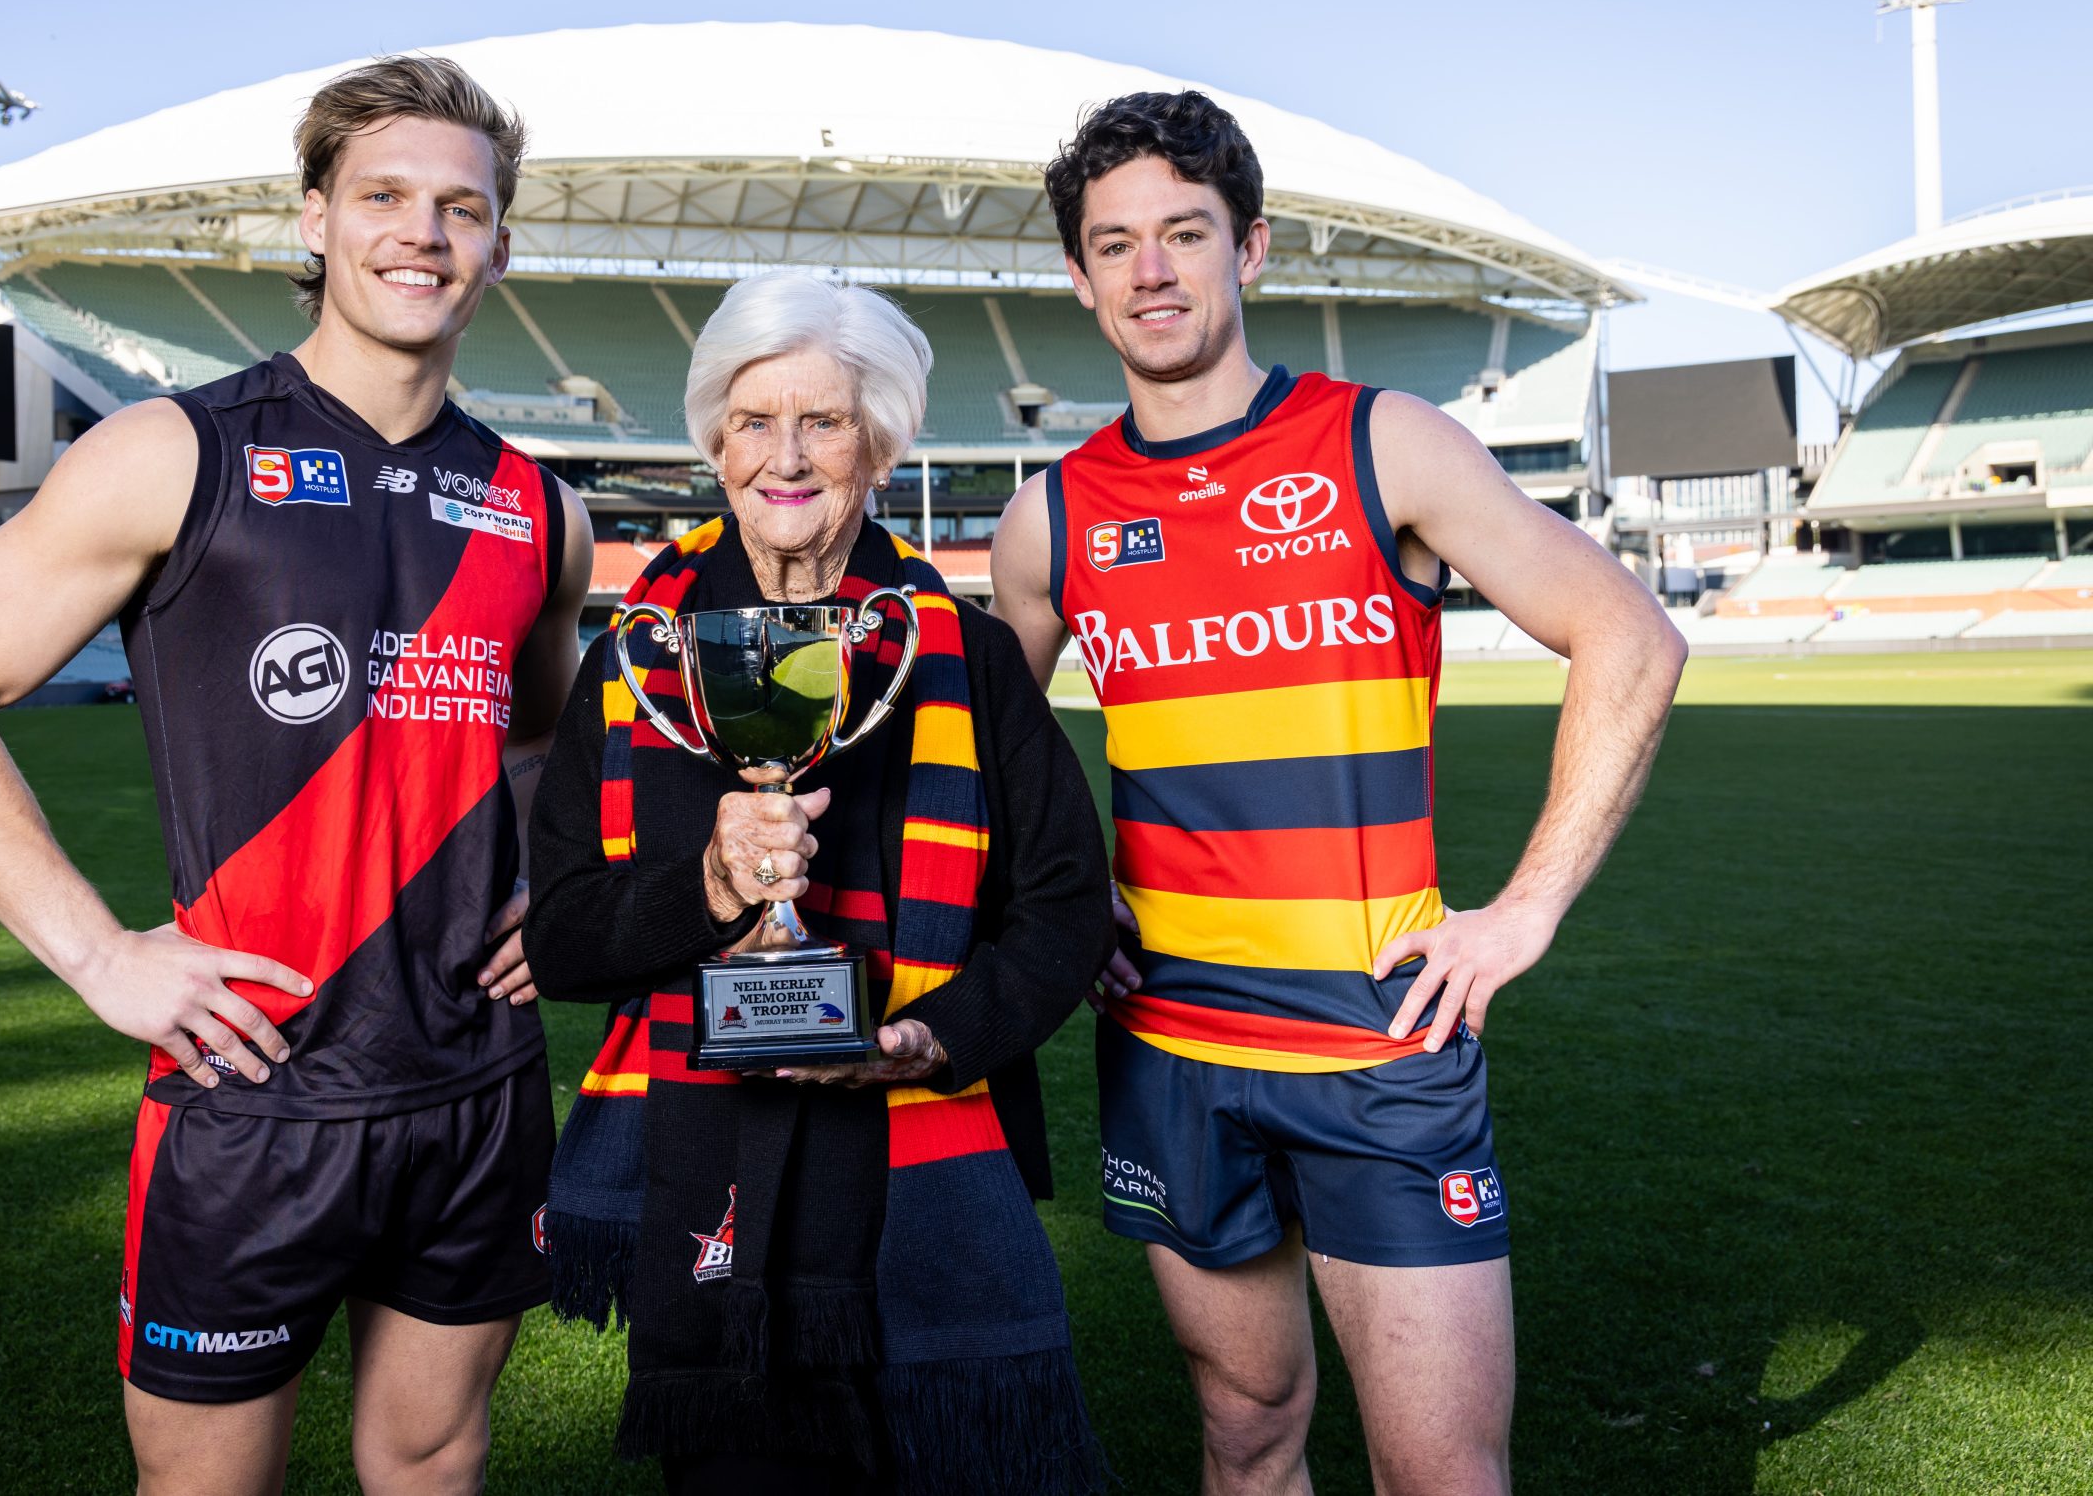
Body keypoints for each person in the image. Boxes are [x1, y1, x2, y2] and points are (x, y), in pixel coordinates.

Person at [0, 54, 594, 1496]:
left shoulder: (539, 510)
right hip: (252, 1090)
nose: (422, 233)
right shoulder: (172, 452)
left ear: (501, 246)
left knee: (437, 1462)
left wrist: (552, 885)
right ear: (313, 221)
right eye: (382, 195)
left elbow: (538, 736)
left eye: (462, 208)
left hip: (479, 1088)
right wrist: (96, 955)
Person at [989, 91, 1686, 1496]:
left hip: (1379, 1044)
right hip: (1169, 1043)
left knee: (1439, 1471)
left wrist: (1526, 908)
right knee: (1246, 1435)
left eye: (1184, 233)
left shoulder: (1384, 445)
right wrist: (1068, 883)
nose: (1151, 271)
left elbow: (1631, 634)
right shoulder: (1048, 519)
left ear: (1248, 249)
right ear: (1077, 276)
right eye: (1115, 244)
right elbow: (986, 748)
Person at [521, 271, 1114, 1496]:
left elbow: (1062, 907)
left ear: (881, 442)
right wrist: (712, 882)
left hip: (914, 1157)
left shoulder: (970, 657)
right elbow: (569, 940)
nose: (784, 457)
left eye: (823, 421)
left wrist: (926, 1037)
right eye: (752, 421)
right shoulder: (634, 659)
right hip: (708, 1165)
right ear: (713, 440)